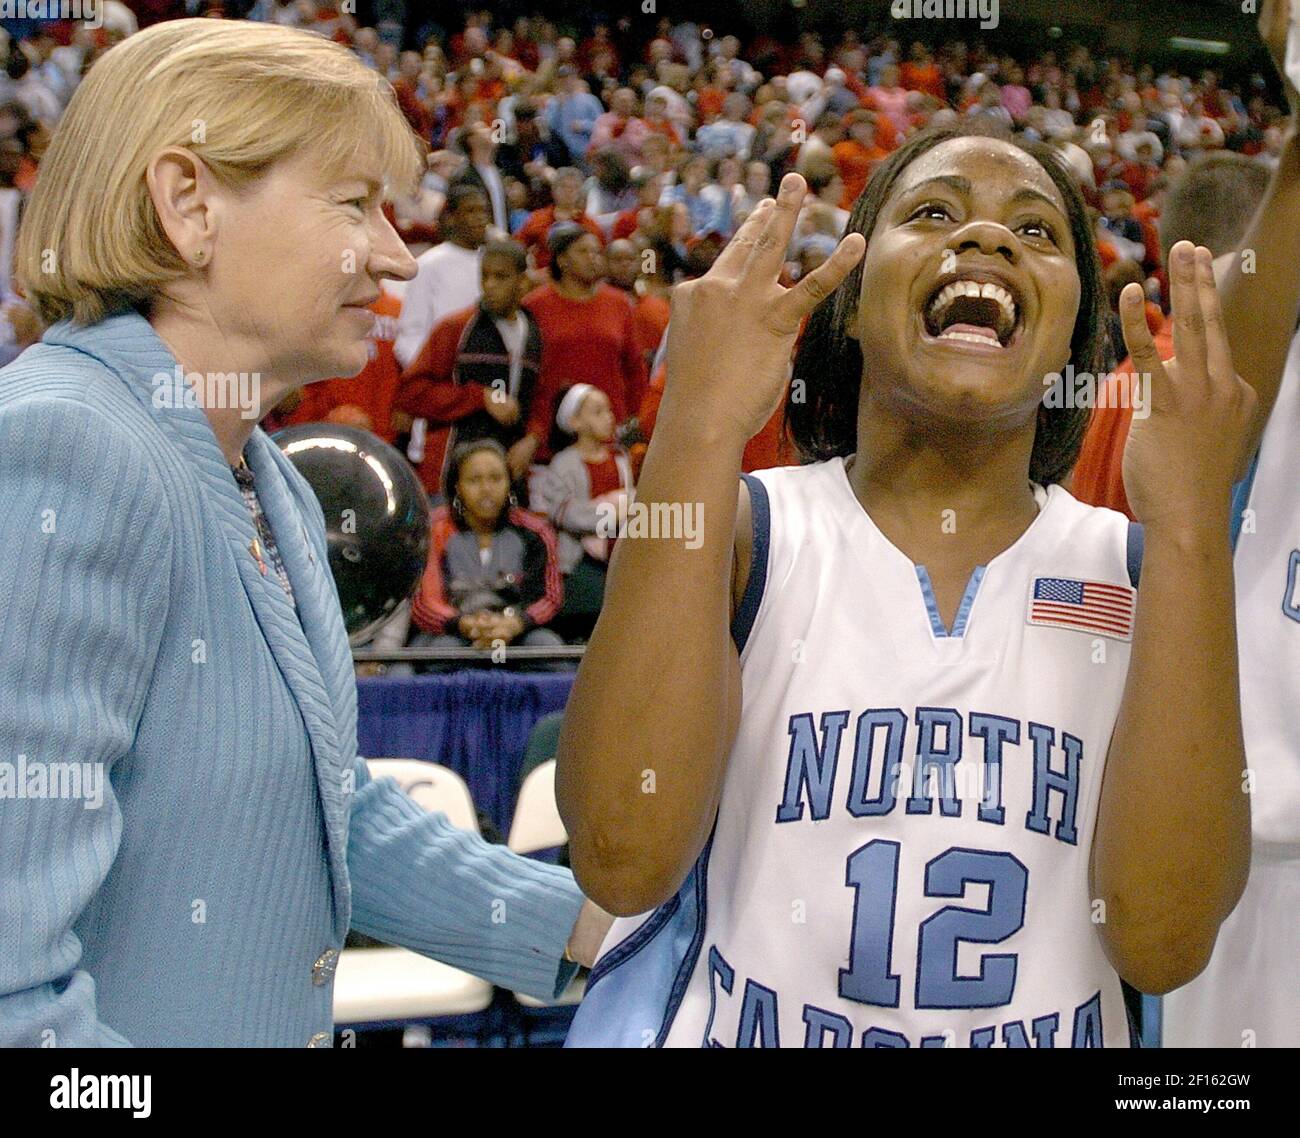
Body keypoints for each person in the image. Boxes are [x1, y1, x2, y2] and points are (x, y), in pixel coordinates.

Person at [559, 129, 1255, 1048]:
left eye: (1038, 232)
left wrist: (1196, 524)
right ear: (849, 303)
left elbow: (1162, 944)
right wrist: (695, 418)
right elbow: (621, 856)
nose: (990, 240)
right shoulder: (746, 532)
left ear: (1075, 340)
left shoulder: (1135, 568)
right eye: (932, 212)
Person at [0, 19, 607, 1048]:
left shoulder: (269, 477)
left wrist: (615, 930)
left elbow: (332, 818)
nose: (395, 254)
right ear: (189, 202)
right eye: (354, 203)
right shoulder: (68, 446)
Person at [395, 238, 544, 495]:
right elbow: (411, 393)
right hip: (449, 475)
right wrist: (479, 397)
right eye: (484, 276)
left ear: (523, 282)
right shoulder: (456, 327)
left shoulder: (535, 332)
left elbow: (542, 397)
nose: (489, 285)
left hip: (507, 478)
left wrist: (532, 439)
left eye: (500, 277)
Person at [408, 439, 565, 664]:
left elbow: (549, 597)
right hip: (451, 631)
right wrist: (466, 624)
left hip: (518, 629)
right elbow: (423, 603)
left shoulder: (536, 531)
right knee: (444, 651)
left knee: (548, 649)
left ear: (509, 483)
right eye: (474, 480)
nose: (486, 489)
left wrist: (513, 624)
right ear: (457, 487)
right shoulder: (432, 529)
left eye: (496, 478)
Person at [522, 221, 647, 459]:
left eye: (597, 252)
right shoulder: (534, 306)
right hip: (551, 436)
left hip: (609, 435)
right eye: (583, 251)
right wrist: (534, 430)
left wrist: (635, 420)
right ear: (561, 260)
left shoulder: (619, 303)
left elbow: (635, 368)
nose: (593, 258)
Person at [533, 384, 635, 640]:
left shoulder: (621, 460)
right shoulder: (564, 464)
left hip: (618, 553)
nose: (609, 417)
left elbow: (632, 501)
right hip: (579, 561)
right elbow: (567, 514)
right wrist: (612, 513)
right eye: (598, 412)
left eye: (609, 411)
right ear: (574, 421)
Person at [393, 182, 489, 368]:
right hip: (438, 372)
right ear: (451, 217)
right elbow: (410, 335)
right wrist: (426, 375)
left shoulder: (493, 262)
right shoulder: (428, 265)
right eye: (471, 211)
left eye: (483, 211)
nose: (480, 218)